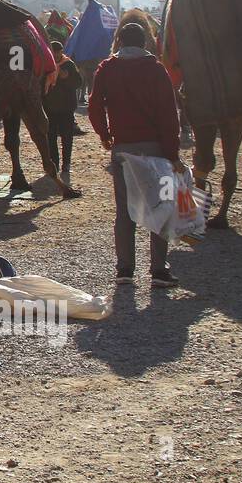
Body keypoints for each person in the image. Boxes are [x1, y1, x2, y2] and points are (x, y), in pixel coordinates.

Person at [88, 21, 185, 288]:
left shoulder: (107, 69)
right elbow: (168, 116)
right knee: (161, 207)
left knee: (125, 210)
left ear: (119, 41)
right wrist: (173, 153)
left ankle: (125, 269)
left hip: (123, 149)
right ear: (145, 43)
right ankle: (158, 270)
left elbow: (94, 105)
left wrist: (105, 134)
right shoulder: (156, 70)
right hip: (155, 149)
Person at [43, 40, 83, 184]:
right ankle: (54, 162)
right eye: (53, 52)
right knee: (51, 137)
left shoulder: (68, 64)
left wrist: (67, 78)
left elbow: (78, 82)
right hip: (50, 108)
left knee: (67, 137)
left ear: (61, 52)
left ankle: (66, 163)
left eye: (58, 52)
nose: (56, 55)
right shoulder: (46, 65)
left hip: (66, 108)